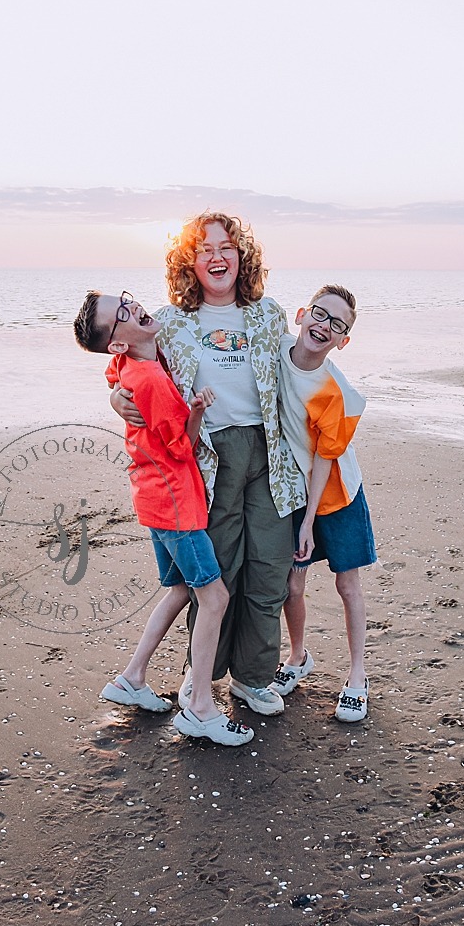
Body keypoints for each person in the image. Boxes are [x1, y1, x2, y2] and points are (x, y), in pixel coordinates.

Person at [111, 213, 306, 717]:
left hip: (271, 454)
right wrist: (115, 394)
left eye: (226, 247)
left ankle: (254, 678)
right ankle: (201, 683)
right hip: (208, 459)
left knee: (269, 570)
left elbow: (300, 370)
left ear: (242, 256)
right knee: (220, 570)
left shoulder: (269, 315)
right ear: (189, 263)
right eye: (204, 250)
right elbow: (127, 360)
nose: (216, 257)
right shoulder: (171, 320)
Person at [74, 288, 252, 746]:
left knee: (177, 590)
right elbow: (183, 447)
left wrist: (116, 391)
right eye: (122, 313)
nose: (134, 308)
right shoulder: (150, 379)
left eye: (127, 300)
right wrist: (195, 411)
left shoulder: (128, 366)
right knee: (213, 598)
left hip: (151, 500)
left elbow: (113, 372)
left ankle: (131, 678)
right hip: (176, 503)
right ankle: (200, 708)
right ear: (117, 341)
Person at [272, 285, 375, 722]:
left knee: (346, 585)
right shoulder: (273, 351)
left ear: (343, 341)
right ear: (300, 314)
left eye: (337, 325)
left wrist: (308, 524)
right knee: (292, 585)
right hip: (293, 491)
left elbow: (322, 464)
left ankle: (357, 675)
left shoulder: (334, 392)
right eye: (320, 314)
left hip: (337, 497)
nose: (324, 326)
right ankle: (297, 657)